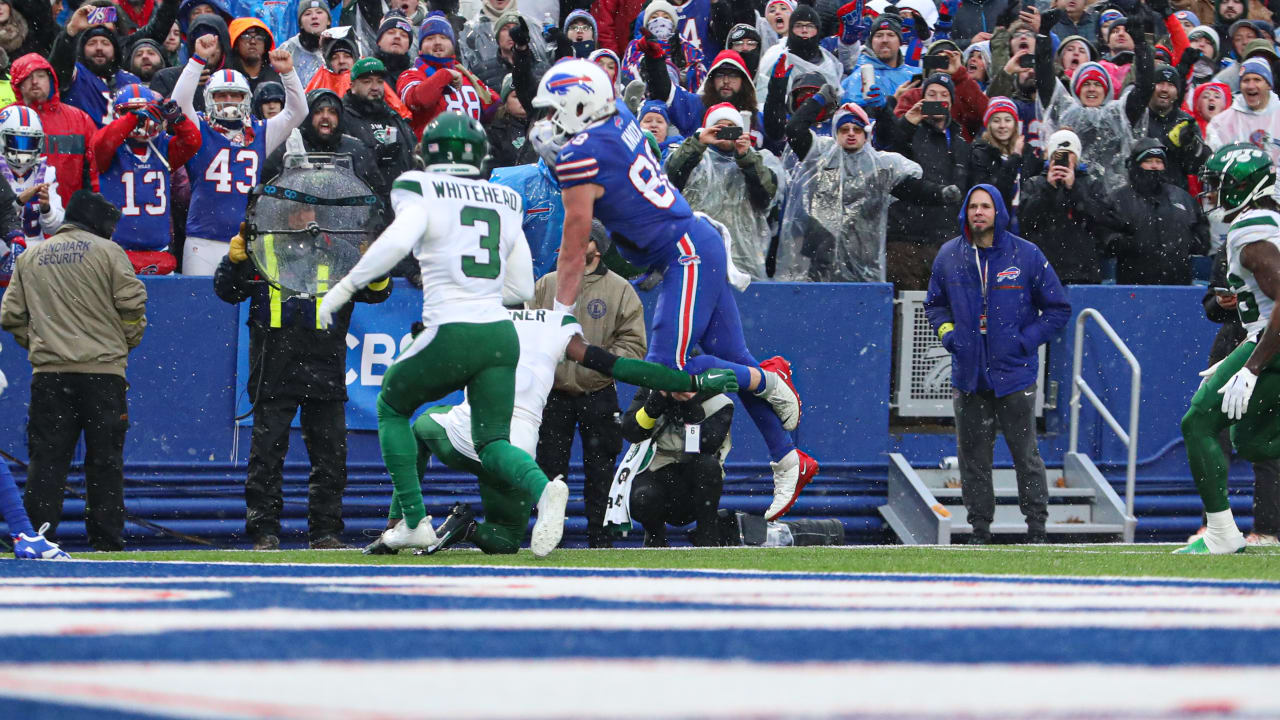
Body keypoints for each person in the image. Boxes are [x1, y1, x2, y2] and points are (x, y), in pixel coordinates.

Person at [535, 59, 815, 521]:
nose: (552, 122)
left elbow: (573, 246)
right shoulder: (621, 118)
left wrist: (562, 312)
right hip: (694, 239)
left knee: (670, 367)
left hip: (685, 252)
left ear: (579, 103)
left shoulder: (581, 154)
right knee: (730, 357)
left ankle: (768, 380)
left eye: (555, 111)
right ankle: (788, 457)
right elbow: (615, 174)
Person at [316, 113, 565, 555]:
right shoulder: (506, 198)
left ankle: (413, 520)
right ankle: (545, 491)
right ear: (481, 154)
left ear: (428, 151)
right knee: (492, 442)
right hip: (500, 335)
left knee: (393, 405)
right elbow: (523, 287)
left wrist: (344, 286)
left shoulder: (418, 185)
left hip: (453, 326)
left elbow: (396, 242)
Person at [367, 306, 736, 555]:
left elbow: (433, 365)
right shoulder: (558, 328)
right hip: (519, 449)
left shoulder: (476, 315)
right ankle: (484, 521)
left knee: (415, 427)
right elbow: (621, 367)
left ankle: (402, 522)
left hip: (463, 434)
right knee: (506, 539)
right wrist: (685, 379)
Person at [215, 213, 392, 550]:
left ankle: (325, 532)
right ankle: (264, 532)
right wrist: (232, 261)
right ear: (281, 209)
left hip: (324, 367)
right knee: (266, 456)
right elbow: (228, 290)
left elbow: (378, 293)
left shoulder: (342, 251)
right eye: (295, 207)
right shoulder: (261, 247)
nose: (305, 215)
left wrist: (376, 263)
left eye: (312, 208)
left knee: (330, 457)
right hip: (274, 368)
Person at [0, 190, 147, 552]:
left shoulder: (32, 255)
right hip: (103, 374)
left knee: (47, 462)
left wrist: (38, 344)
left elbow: (10, 316)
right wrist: (125, 342)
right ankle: (106, 540)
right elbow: (133, 302)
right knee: (105, 462)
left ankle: (38, 536)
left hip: (49, 375)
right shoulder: (110, 252)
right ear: (100, 224)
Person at [924, 184, 1071, 544]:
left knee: (1027, 456)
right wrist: (948, 336)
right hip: (969, 376)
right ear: (965, 212)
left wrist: (1025, 341)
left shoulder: (1027, 255)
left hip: (1015, 376)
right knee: (974, 460)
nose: (978, 212)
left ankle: (1036, 527)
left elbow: (1058, 308)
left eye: (985, 206)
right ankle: (979, 530)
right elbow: (935, 304)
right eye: (972, 206)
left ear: (998, 212)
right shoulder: (949, 255)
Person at [1178, 143, 1280, 554]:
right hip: (1264, 338)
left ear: (1242, 186)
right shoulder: (1268, 220)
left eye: (1218, 185)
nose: (1212, 194)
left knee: (1198, 422)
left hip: (1268, 344)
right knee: (1254, 441)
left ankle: (1220, 532)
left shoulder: (1251, 230)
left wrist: (1250, 366)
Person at [532, 226, 646, 547]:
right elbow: (525, 329)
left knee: (602, 471)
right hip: (553, 395)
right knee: (548, 471)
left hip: (599, 393)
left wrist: (597, 360)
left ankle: (601, 541)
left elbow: (634, 345)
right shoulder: (546, 284)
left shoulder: (620, 290)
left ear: (599, 248)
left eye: (583, 238)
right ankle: (547, 538)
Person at [174, 35, 305, 274]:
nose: (228, 101)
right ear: (208, 99)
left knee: (242, 308)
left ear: (247, 99)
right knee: (202, 306)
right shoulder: (199, 130)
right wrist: (197, 60)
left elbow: (297, 111)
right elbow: (178, 103)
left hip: (245, 238)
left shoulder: (261, 132)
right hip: (202, 239)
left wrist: (288, 73)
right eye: (221, 95)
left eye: (235, 95)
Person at [776, 99, 938, 283]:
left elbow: (910, 189)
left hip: (863, 260)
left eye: (857, 129)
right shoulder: (820, 158)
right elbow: (794, 129)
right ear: (835, 134)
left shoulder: (880, 167)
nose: (851, 133)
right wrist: (819, 99)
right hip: (821, 258)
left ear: (866, 134)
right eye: (844, 129)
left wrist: (940, 193)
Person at [1194, 249, 1280, 546]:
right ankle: (1214, 524)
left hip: (1269, 348)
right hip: (1232, 345)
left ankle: (1267, 529)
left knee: (1265, 442)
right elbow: (1211, 307)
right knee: (1213, 434)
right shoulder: (1231, 246)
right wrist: (1221, 302)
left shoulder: (1262, 243)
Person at [92, 84, 202, 274]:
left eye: (146, 111)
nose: (142, 121)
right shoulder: (111, 148)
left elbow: (193, 141)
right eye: (129, 111)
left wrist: (177, 118)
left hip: (158, 252)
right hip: (117, 250)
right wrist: (136, 116)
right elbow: (99, 144)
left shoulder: (163, 146)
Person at [664, 102, 781, 279]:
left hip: (743, 259)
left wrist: (745, 156)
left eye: (732, 128)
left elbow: (767, 196)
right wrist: (698, 143)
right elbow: (670, 179)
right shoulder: (693, 156)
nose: (726, 132)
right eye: (719, 128)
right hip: (697, 254)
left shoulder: (757, 159)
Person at [884, 72, 969, 291]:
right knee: (905, 307)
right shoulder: (909, 132)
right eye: (931, 94)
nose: (937, 99)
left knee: (941, 307)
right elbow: (887, 158)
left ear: (950, 102)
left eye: (943, 95)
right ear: (922, 100)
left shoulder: (960, 142)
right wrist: (907, 124)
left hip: (944, 238)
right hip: (904, 237)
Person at [619, 386, 732, 547]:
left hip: (693, 480)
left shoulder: (719, 401)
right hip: (656, 472)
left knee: (708, 467)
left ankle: (707, 537)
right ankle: (654, 537)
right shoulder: (650, 391)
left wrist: (690, 406)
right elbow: (630, 432)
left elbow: (705, 447)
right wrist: (653, 406)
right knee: (643, 497)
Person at [1103, 139, 1210, 285]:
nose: (1154, 166)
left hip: (1179, 285)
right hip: (1133, 287)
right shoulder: (1119, 199)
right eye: (1148, 161)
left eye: (1159, 161)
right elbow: (1106, 237)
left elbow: (1202, 233)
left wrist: (1187, 243)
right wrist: (1132, 244)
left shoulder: (1181, 197)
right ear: (1135, 164)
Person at [1018, 129, 1113, 285]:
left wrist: (1074, 188)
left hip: (1083, 272)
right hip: (1044, 270)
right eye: (1059, 155)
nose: (1064, 160)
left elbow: (1101, 221)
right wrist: (1049, 188)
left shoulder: (1091, 184)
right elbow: (1026, 222)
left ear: (1077, 157)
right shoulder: (1035, 183)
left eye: (1069, 155)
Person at [9, 53, 99, 207]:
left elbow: (94, 171)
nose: (35, 82)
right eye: (28, 77)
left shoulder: (80, 119)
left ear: (51, 80)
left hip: (69, 214)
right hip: (18, 214)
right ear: (18, 83)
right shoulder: (5, 118)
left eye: (41, 76)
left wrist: (92, 206)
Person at [397, 11, 498, 136]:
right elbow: (418, 101)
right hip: (431, 153)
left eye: (443, 37)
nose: (437, 42)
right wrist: (445, 74)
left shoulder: (467, 76)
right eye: (430, 38)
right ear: (421, 47)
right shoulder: (409, 75)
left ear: (452, 43)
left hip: (469, 153)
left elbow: (496, 110)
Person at [262, 88, 378, 187]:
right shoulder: (289, 147)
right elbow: (265, 192)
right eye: (318, 111)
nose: (325, 117)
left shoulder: (356, 150)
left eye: (332, 112)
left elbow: (376, 194)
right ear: (308, 116)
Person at [49, 7, 142, 127]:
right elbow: (59, 66)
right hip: (82, 142)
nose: (99, 48)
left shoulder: (131, 81)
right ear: (82, 49)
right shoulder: (76, 73)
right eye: (92, 43)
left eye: (105, 43)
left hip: (122, 144)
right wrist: (71, 30)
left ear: (115, 50)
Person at [342, 57, 416, 203]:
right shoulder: (342, 118)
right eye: (367, 81)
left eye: (379, 81)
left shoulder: (395, 119)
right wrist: (375, 156)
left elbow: (413, 159)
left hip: (400, 202)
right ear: (352, 85)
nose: (375, 87)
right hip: (361, 205)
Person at [0, 106, 62, 248]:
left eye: (29, 142)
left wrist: (47, 210)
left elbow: (56, 227)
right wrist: (18, 202)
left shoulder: (46, 172)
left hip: (36, 256)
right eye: (16, 141)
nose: (22, 149)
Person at [148, 13, 234, 114]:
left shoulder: (237, 79)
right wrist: (189, 83)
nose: (207, 51)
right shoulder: (164, 78)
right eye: (202, 44)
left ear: (223, 47)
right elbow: (158, 117)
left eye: (212, 44)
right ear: (192, 48)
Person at [1207, 58, 1280, 165]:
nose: (1251, 86)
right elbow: (1214, 163)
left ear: (1269, 85)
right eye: (1246, 80)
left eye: (1257, 80)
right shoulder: (1221, 123)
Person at [840, 14, 914, 109]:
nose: (884, 40)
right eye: (879, 35)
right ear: (871, 42)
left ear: (900, 41)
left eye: (891, 35)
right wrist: (889, 103)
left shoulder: (913, 74)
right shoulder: (859, 77)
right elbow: (851, 116)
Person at [279, 0, 331, 84]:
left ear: (329, 20)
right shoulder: (288, 48)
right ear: (300, 24)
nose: (314, 17)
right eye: (307, 14)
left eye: (319, 12)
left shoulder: (339, 46)